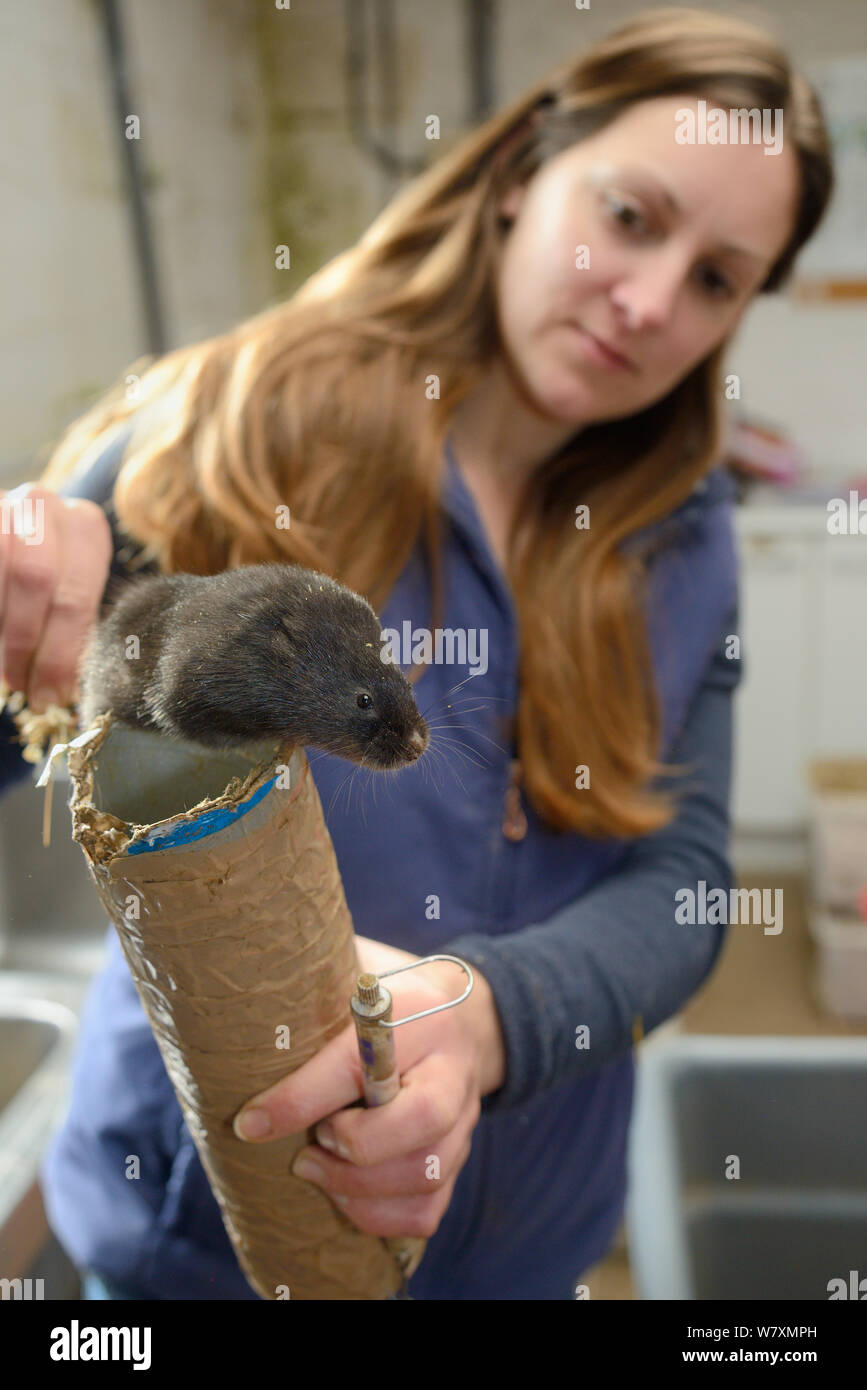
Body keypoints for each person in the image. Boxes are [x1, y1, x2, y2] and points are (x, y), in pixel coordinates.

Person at [0, 8, 833, 1300]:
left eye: (718, 278)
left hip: (525, 1245)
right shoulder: (237, 421)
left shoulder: (689, 533)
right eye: (630, 216)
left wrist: (493, 1014)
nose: (652, 300)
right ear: (518, 180)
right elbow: (36, 722)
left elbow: (687, 874)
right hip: (193, 1254)